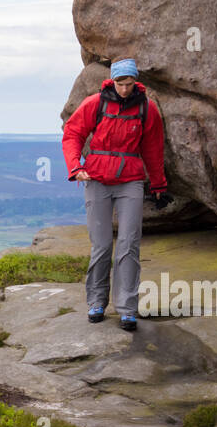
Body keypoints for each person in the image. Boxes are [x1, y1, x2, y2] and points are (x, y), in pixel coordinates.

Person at [61, 57, 172, 331]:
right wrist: (76, 167)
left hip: (130, 180)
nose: (124, 89)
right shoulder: (95, 103)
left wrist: (158, 186)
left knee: (129, 244)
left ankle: (127, 309)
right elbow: (73, 134)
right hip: (96, 179)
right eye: (120, 84)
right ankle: (97, 302)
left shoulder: (147, 108)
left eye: (129, 84)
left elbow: (153, 149)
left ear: (135, 82)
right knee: (101, 245)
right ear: (113, 81)